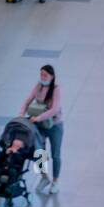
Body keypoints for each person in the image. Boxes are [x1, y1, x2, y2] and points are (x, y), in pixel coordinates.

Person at [19, 63, 63, 193]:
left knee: (55, 154)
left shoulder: (56, 89)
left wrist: (38, 118)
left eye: (45, 75)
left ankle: (55, 181)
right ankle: (44, 176)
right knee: (39, 152)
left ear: (52, 76)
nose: (42, 77)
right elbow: (28, 100)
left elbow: (54, 109)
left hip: (55, 125)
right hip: (40, 126)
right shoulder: (39, 86)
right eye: (41, 74)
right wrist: (21, 114)